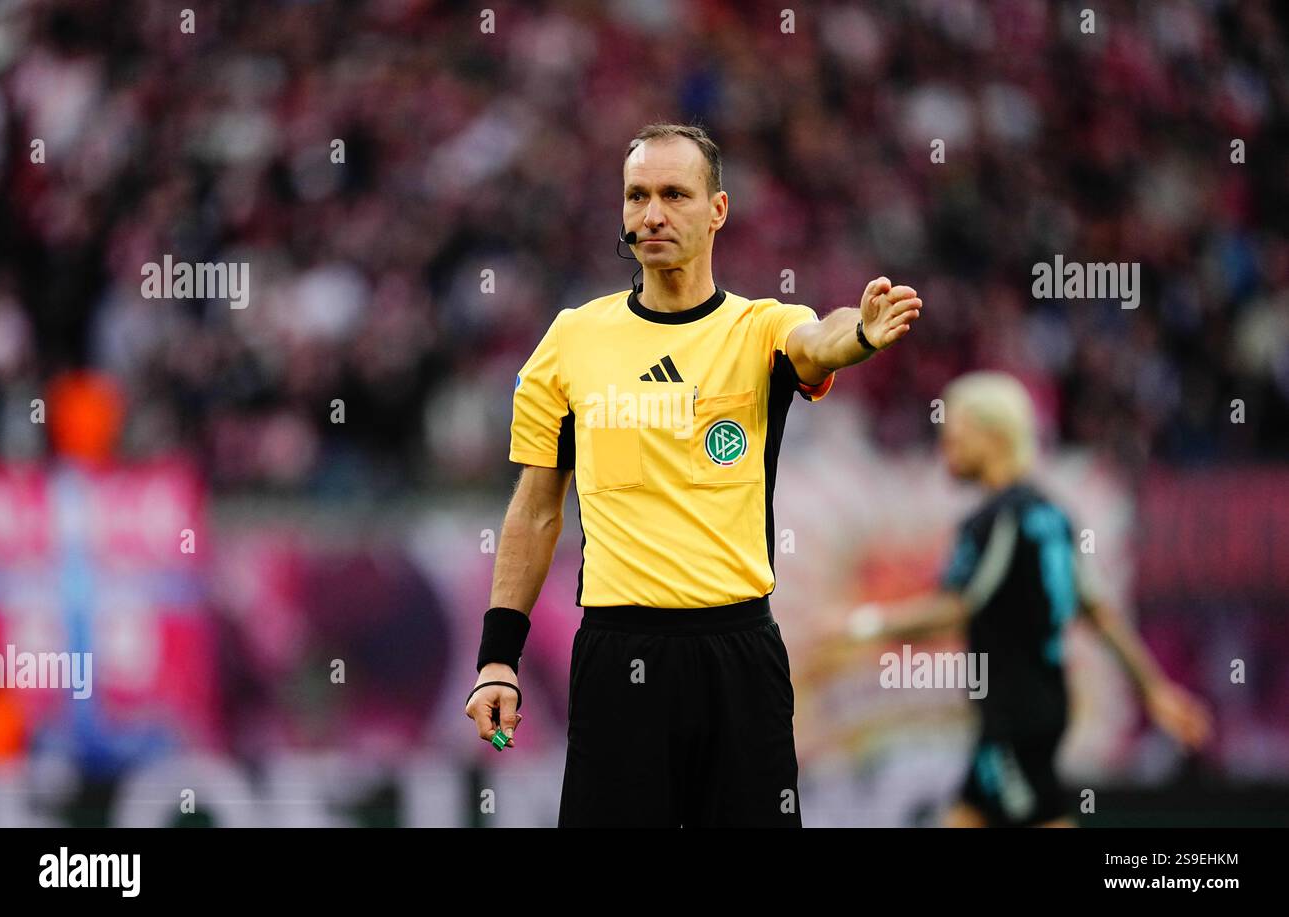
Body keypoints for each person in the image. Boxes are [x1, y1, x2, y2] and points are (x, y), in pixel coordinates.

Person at [464, 122, 924, 827]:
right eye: (637, 196)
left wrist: (858, 333)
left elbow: (818, 340)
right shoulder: (571, 342)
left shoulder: (761, 329)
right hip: (618, 656)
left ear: (717, 210)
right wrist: (499, 659)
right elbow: (533, 511)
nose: (652, 214)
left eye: (675, 194)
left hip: (738, 659)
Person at [844, 371, 1213, 827]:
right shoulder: (1050, 514)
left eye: (955, 436)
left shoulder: (995, 521)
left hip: (1013, 722)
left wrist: (860, 626)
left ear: (993, 436)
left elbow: (955, 608)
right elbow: (1097, 610)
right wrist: (1153, 689)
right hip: (1033, 712)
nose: (947, 449)